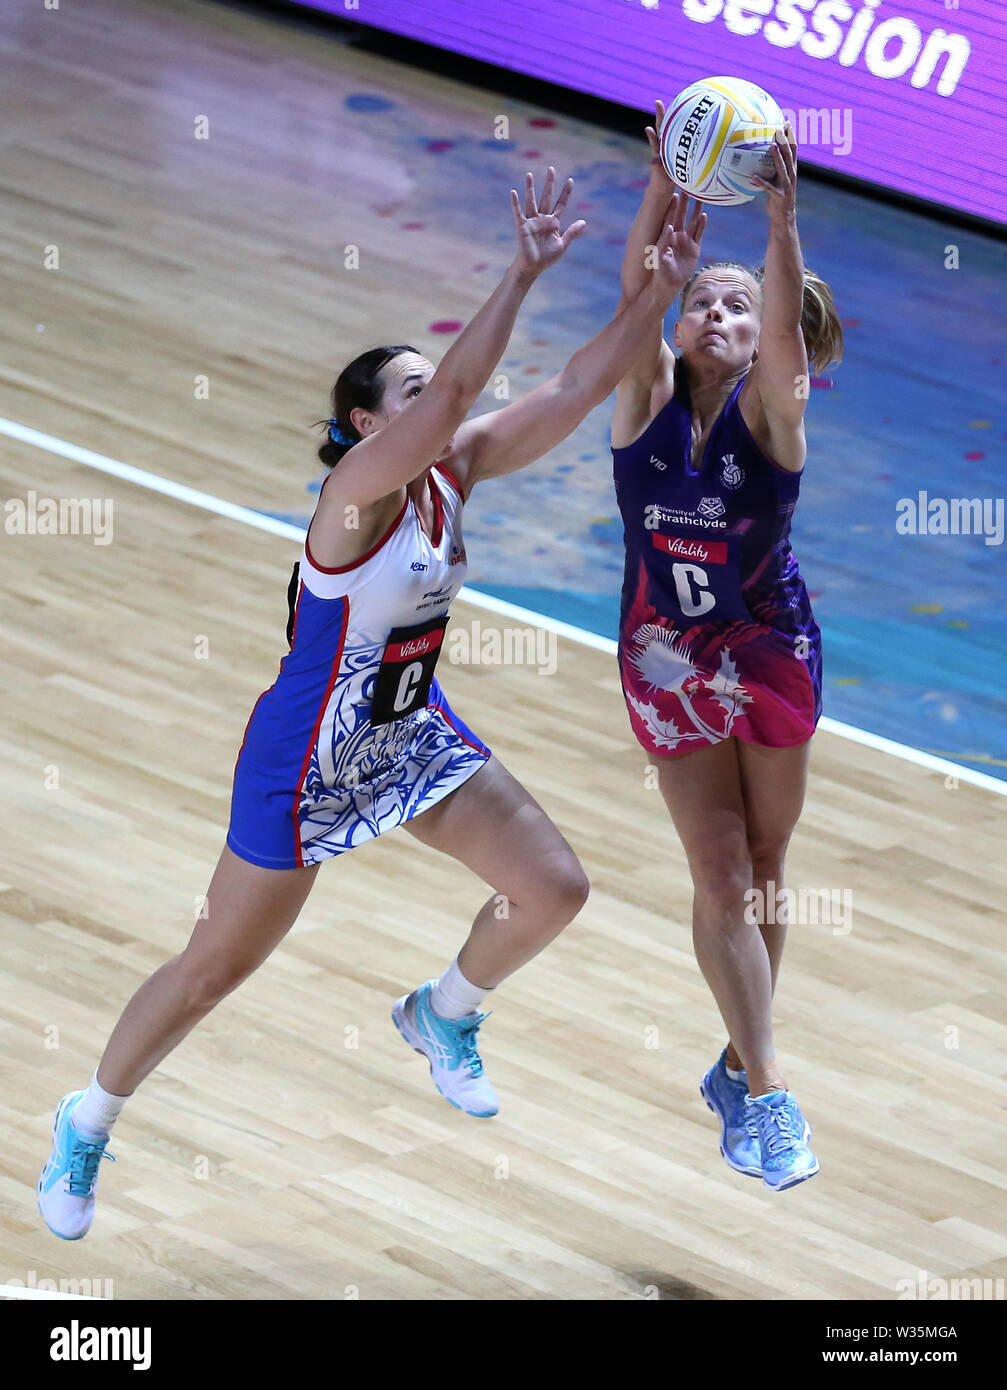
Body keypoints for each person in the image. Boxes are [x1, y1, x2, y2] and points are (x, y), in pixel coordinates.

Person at [38, 169, 707, 1239]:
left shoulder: (458, 470)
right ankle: (87, 1117)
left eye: (428, 389)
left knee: (553, 888)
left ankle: (440, 1013)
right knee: (214, 970)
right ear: (362, 423)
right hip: (303, 760)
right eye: (407, 391)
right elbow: (451, 398)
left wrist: (655, 292)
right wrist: (523, 271)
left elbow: (582, 384)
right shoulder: (350, 502)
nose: (438, 399)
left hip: (404, 735)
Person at [612, 108, 843, 1191]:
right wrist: (665, 177)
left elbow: (787, 331)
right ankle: (765, 1093)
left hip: (768, 659)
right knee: (714, 866)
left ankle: (736, 1072)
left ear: (768, 339)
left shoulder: (777, 420)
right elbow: (637, 290)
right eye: (705, 298)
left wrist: (782, 223)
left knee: (762, 866)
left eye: (739, 303)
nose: (716, 307)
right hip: (663, 659)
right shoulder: (642, 400)